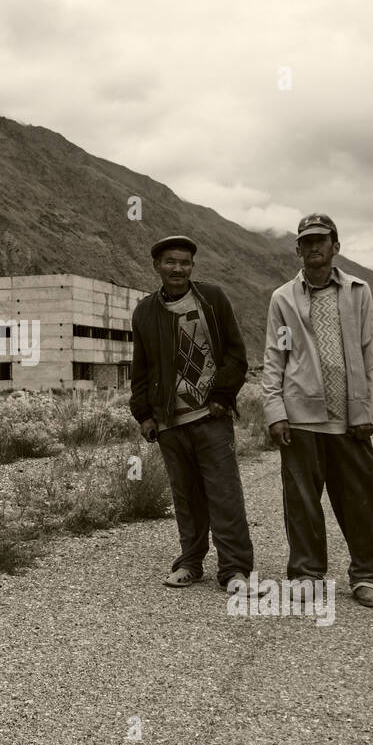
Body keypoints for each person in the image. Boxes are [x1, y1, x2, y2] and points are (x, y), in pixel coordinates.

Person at [262, 213, 373, 607]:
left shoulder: (358, 291)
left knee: (361, 500)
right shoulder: (283, 298)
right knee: (302, 501)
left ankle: (367, 576)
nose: (314, 247)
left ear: (335, 245)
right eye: (306, 241)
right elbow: (274, 357)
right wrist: (274, 410)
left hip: (352, 418)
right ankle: (306, 574)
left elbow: (371, 351)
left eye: (322, 240)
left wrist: (367, 407)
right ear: (298, 249)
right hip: (301, 417)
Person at [130, 234, 256, 591]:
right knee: (185, 497)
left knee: (224, 494)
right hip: (170, 421)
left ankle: (234, 570)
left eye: (185, 262)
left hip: (210, 417)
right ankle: (190, 562)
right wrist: (144, 414)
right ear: (156, 266)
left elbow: (236, 354)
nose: (178, 268)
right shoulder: (144, 312)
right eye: (170, 262)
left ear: (192, 267)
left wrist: (221, 395)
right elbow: (140, 368)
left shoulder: (213, 299)